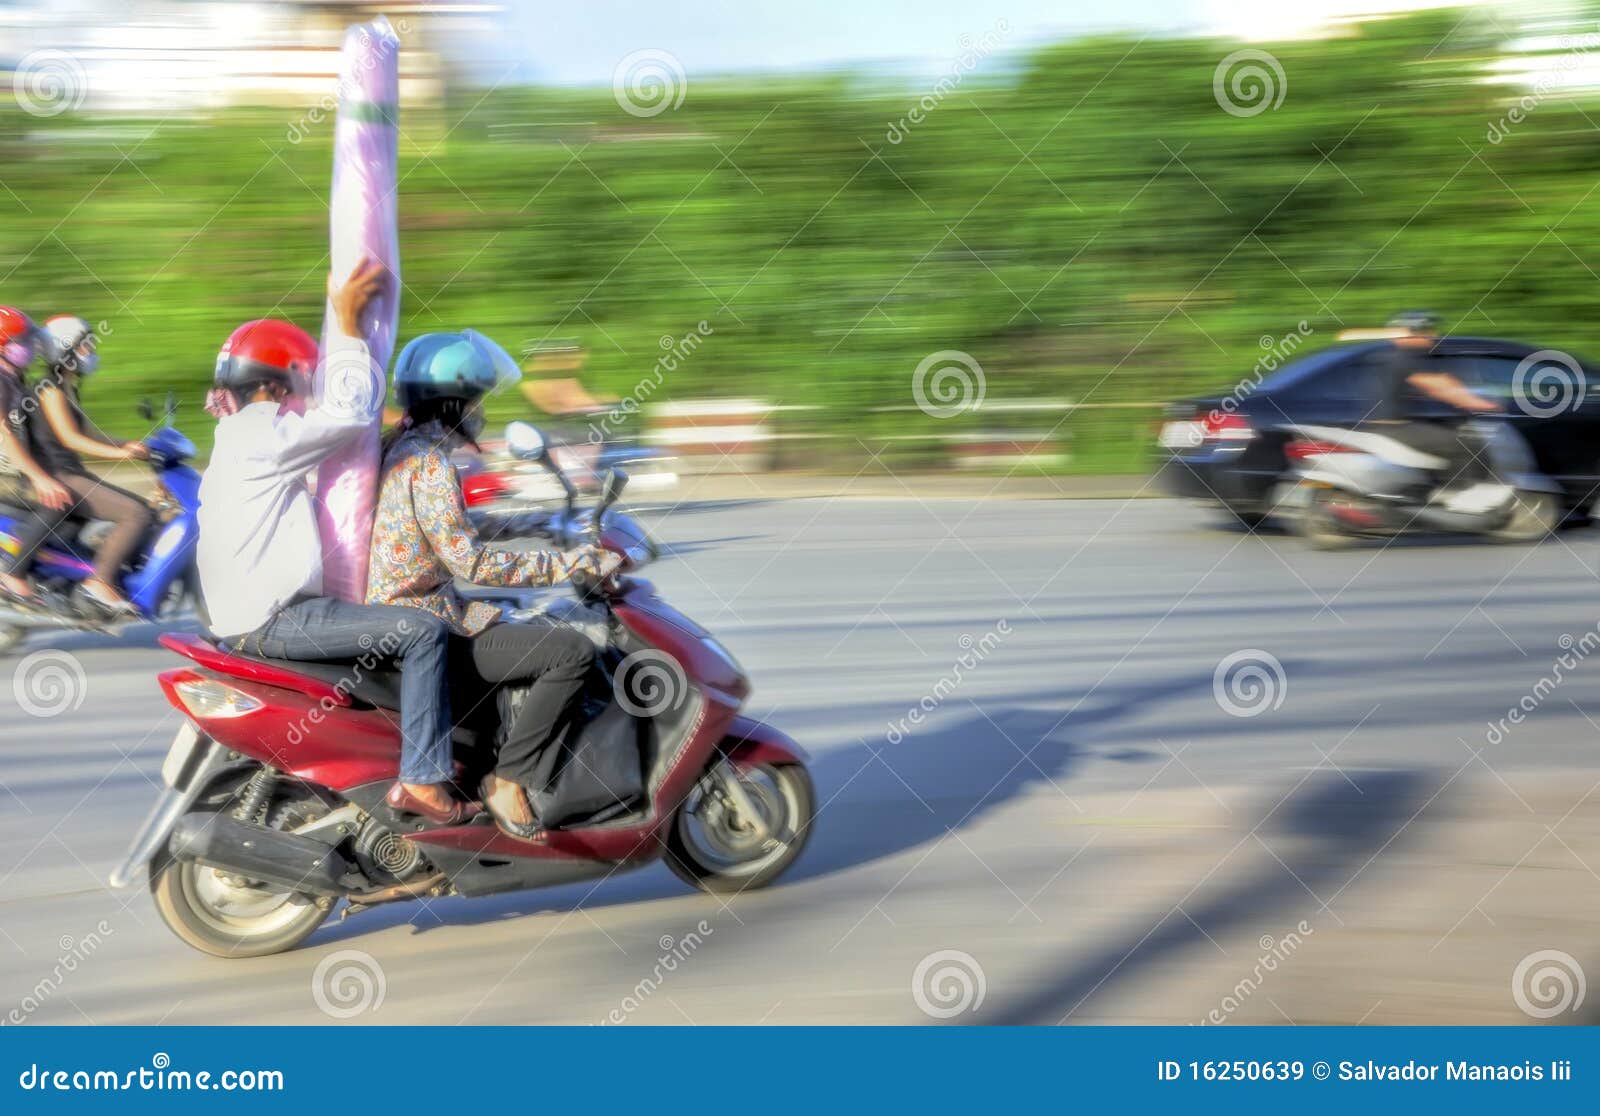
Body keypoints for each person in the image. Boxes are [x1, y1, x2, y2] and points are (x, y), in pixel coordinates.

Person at [198, 260, 478, 826]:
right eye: (303, 384)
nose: (305, 397)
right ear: (280, 384)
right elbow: (346, 417)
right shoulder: (261, 430)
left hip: (248, 614)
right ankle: (422, 779)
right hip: (276, 618)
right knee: (422, 632)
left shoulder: (241, 436)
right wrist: (348, 323)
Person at [366, 329, 617, 838]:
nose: (481, 411)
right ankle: (509, 779)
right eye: (477, 398)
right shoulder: (429, 462)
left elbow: (444, 532)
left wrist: (537, 527)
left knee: (515, 612)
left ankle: (495, 752)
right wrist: (569, 566)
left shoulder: (409, 448)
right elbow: (468, 562)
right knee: (570, 652)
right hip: (428, 622)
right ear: (453, 399)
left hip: (417, 611)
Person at [8, 316, 153, 614]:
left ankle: (80, 581)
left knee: (145, 508)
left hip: (70, 473)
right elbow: (71, 439)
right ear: (65, 351)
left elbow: (87, 432)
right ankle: (99, 584)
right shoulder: (51, 390)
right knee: (135, 514)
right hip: (60, 475)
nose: (90, 351)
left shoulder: (67, 387)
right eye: (84, 346)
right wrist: (119, 456)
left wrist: (127, 444)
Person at [1369, 310, 1501, 504]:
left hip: (1382, 425)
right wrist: (1489, 406)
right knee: (1467, 444)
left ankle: (1429, 490)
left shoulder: (1388, 356)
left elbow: (1443, 384)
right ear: (1413, 332)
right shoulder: (1407, 357)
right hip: (1395, 428)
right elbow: (1443, 388)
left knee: (1442, 435)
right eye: (1428, 330)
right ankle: (1456, 495)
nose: (1434, 335)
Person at [0, 307, 71, 606]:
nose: (29, 345)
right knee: (58, 500)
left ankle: (50, 575)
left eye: (30, 338)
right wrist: (41, 478)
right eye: (21, 340)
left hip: (14, 470)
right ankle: (13, 575)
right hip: (5, 477)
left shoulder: (16, 378)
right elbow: (4, 434)